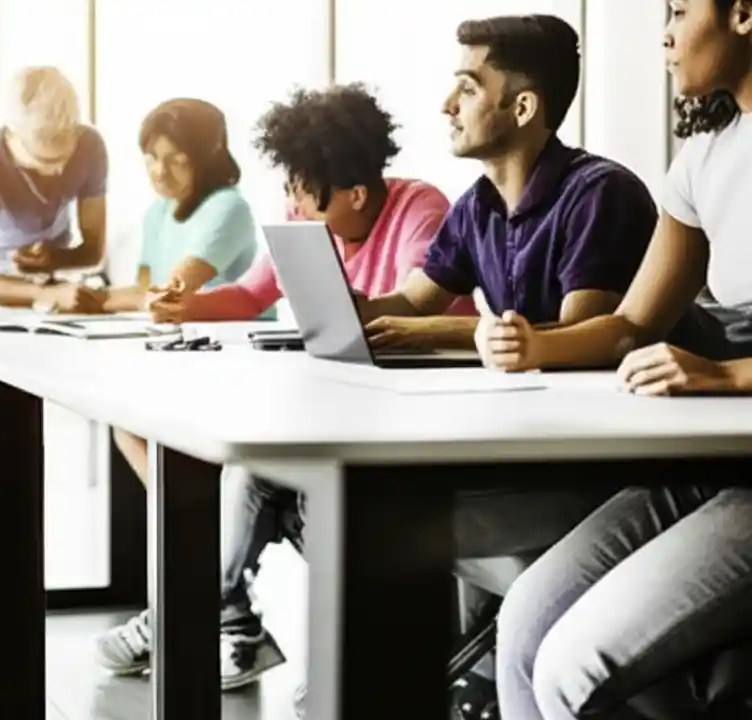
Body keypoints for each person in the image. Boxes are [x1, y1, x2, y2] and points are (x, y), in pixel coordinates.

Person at [474, 1, 752, 717]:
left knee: (570, 668)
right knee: (525, 627)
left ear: (744, 14)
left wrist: (725, 374)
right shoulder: (707, 154)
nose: (665, 33)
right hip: (717, 463)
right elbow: (631, 322)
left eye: (683, 11)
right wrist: (532, 345)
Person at [353, 15, 660, 354]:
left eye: (468, 89)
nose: (448, 105)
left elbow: (576, 336)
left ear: (522, 107)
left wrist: (433, 330)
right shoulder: (475, 206)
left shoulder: (602, 194)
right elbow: (413, 302)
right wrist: (351, 311)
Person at [145, 84, 460, 325]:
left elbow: (415, 301)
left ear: (357, 196)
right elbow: (251, 295)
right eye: (290, 188)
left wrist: (356, 311)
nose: (294, 204)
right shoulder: (304, 219)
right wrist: (184, 306)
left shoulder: (419, 208)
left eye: (305, 192)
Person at [102, 98, 260, 483]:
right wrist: (89, 297)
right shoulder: (158, 212)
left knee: (127, 417)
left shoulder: (227, 207)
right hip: (180, 354)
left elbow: (171, 289)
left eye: (176, 159)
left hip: (226, 362)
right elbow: (143, 287)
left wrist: (105, 300)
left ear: (206, 158)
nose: (159, 171)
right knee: (119, 417)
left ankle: (179, 513)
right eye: (151, 157)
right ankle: (172, 512)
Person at [0, 66, 109, 314]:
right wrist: (45, 294)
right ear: (12, 135)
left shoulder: (90, 146)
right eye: (44, 163)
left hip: (59, 287)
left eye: (65, 160)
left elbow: (94, 253)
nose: (58, 172)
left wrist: (54, 258)